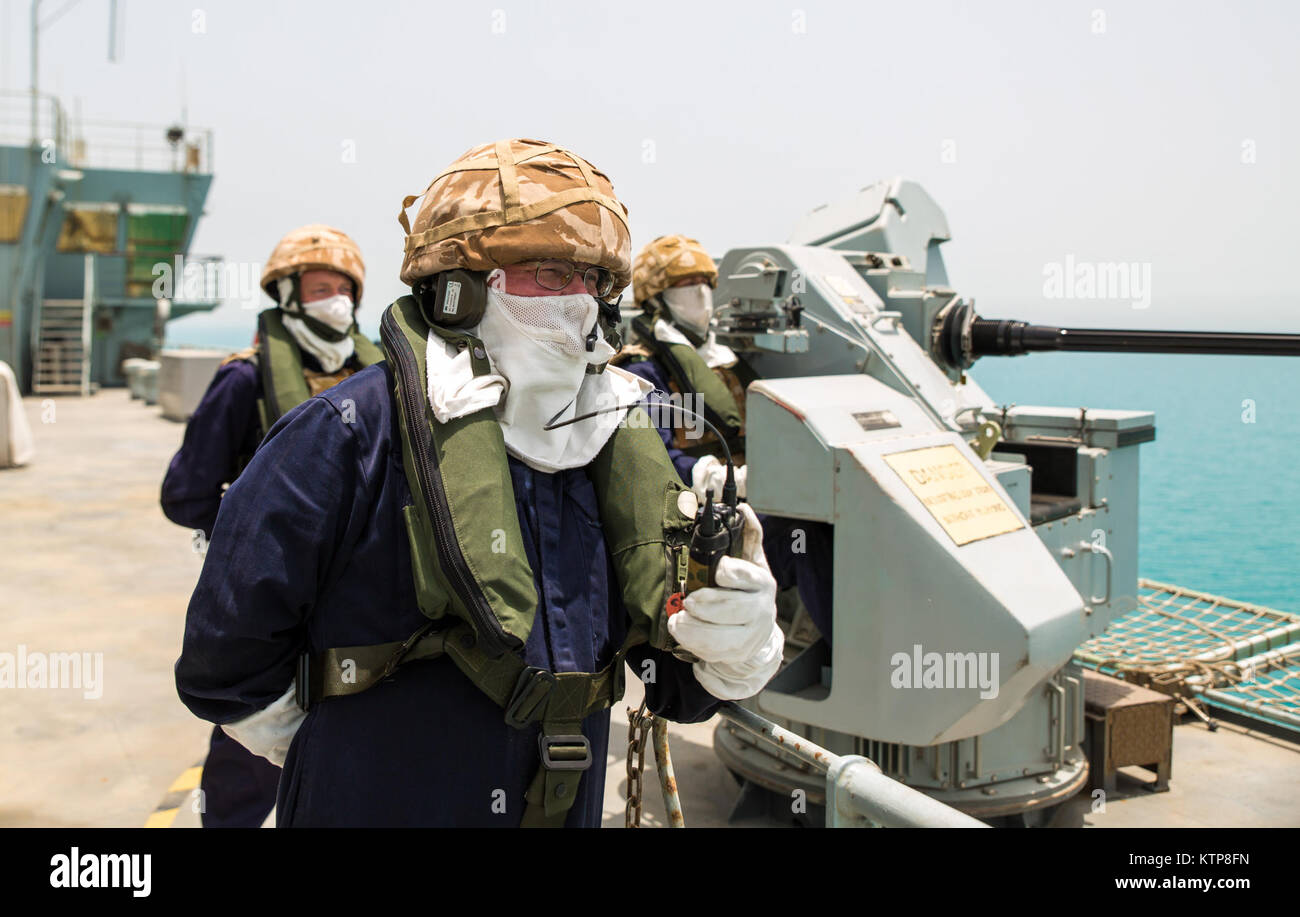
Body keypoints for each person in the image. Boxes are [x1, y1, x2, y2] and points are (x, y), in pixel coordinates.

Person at [174, 139, 785, 827]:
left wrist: (734, 641)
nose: (580, 302)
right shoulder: (346, 434)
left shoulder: (610, 440)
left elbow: (670, 681)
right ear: (460, 286)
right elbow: (223, 659)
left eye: (594, 280)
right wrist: (349, 756)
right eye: (552, 272)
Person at [160, 224, 380, 828]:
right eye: (318, 287)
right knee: (250, 742)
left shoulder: (383, 379)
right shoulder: (245, 380)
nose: (333, 298)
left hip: (361, 597)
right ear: (286, 295)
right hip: (274, 592)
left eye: (342, 287)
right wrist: (246, 531)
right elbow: (185, 494)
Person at [619, 235, 834, 642]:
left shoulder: (730, 364)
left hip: (755, 502)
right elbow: (655, 461)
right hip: (696, 522)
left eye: (706, 286)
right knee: (811, 534)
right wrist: (723, 480)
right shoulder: (645, 374)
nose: (701, 297)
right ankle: (843, 648)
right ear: (656, 300)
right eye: (686, 288)